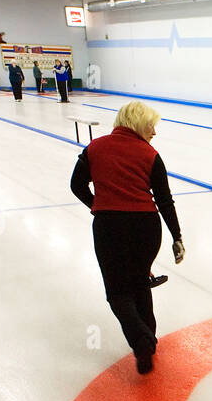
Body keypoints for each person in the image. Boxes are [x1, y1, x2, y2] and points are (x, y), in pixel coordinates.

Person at [70, 101, 185, 374]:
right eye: (151, 126)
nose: (154, 133)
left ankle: (141, 340)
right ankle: (150, 339)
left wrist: (97, 204)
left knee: (118, 292)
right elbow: (165, 200)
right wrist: (176, 237)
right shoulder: (150, 155)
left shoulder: (94, 148)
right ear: (138, 124)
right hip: (147, 228)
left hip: (110, 227)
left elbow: (76, 185)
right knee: (139, 283)